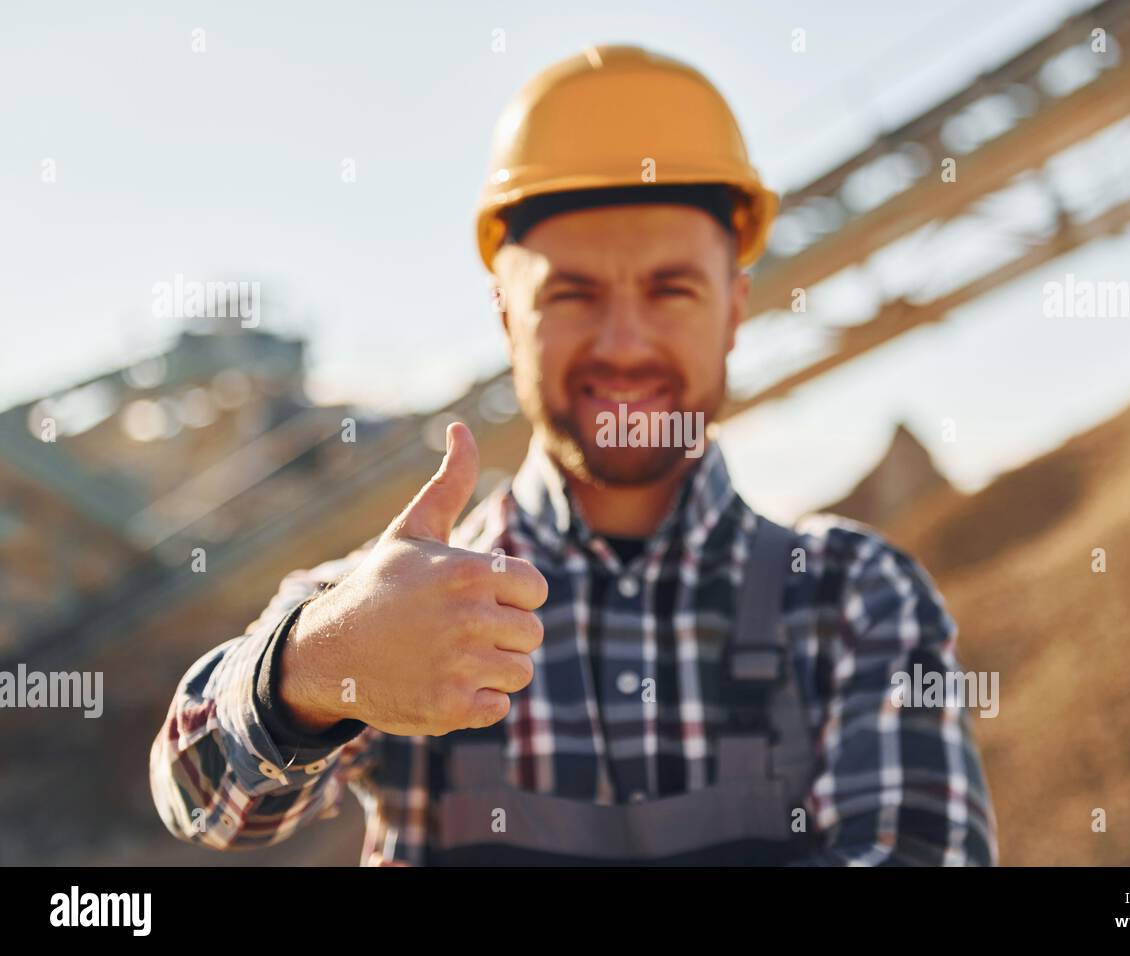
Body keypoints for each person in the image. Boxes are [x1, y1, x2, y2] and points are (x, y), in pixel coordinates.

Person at [149, 44, 996, 866]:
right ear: (507, 315)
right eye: (572, 293)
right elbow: (199, 797)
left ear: (735, 309)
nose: (624, 345)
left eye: (671, 289)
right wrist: (315, 668)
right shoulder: (399, 598)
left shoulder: (857, 598)